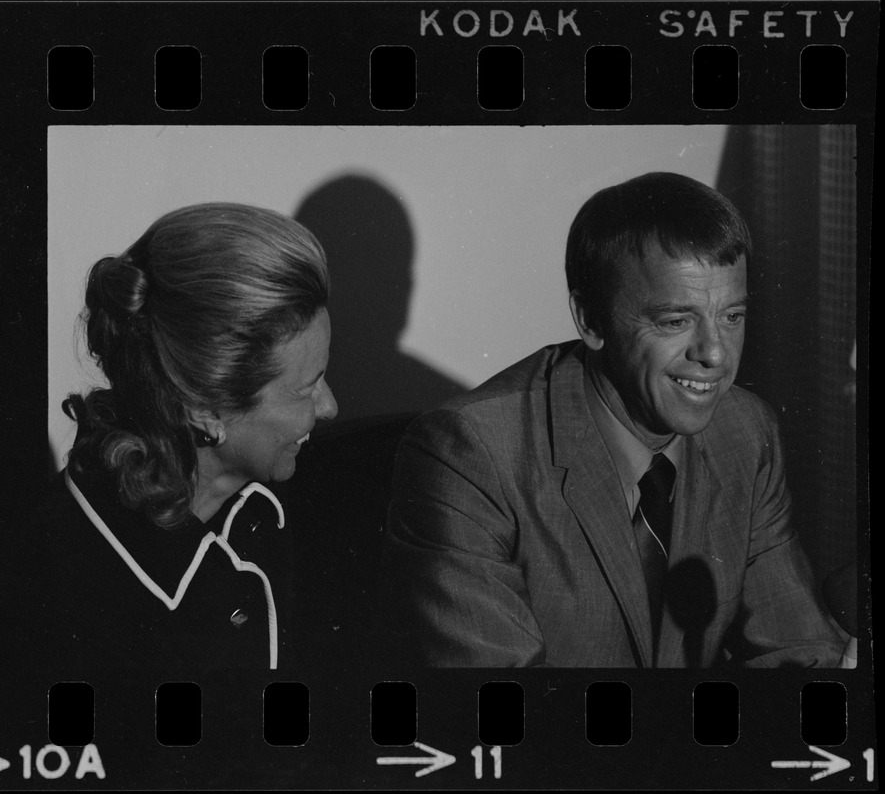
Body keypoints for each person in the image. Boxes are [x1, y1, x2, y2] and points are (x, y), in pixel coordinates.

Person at [380, 172, 844, 668]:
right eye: (675, 321)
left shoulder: (746, 431)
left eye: (732, 316)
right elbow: (505, 712)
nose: (715, 353)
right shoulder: (470, 455)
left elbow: (797, 646)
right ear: (591, 321)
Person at [18, 203, 338, 672]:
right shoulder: (61, 594)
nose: (330, 407)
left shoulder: (290, 496)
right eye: (307, 388)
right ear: (203, 409)